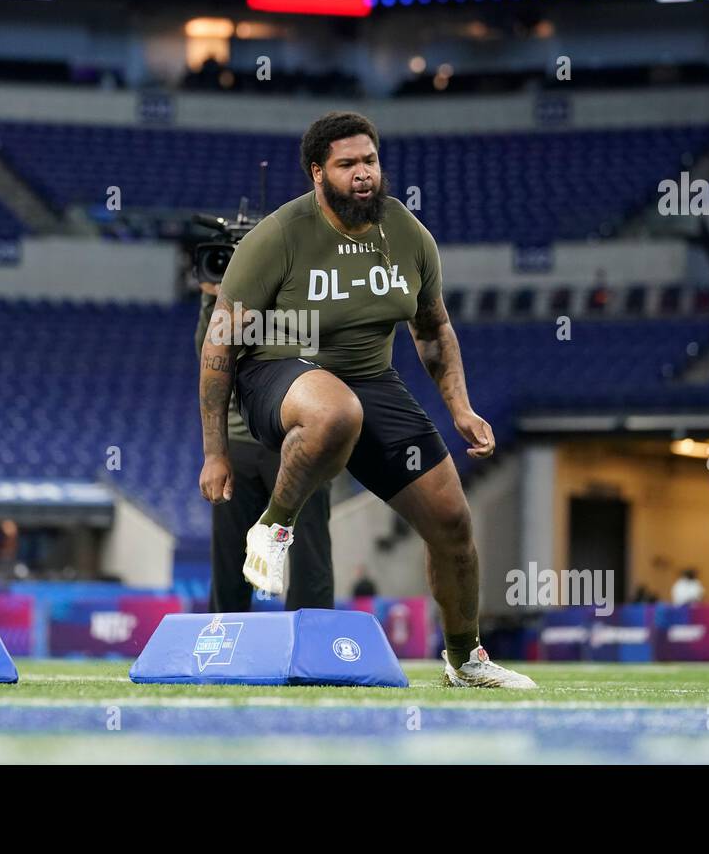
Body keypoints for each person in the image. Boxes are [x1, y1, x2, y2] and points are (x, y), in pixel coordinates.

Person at [198, 111, 534, 688]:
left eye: (370, 162)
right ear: (317, 174)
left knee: (452, 521)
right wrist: (214, 452)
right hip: (276, 373)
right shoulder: (278, 236)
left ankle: (464, 659)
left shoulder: (408, 235)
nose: (363, 175)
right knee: (335, 412)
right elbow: (218, 348)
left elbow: (433, 331)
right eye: (347, 164)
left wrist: (460, 407)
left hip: (370, 382)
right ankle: (273, 529)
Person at [196, 282, 334, 612]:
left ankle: (311, 638)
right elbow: (208, 355)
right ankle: (224, 640)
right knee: (229, 555)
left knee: (308, 553)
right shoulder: (234, 293)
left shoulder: (313, 283)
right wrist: (211, 297)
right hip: (240, 443)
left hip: (297, 439)